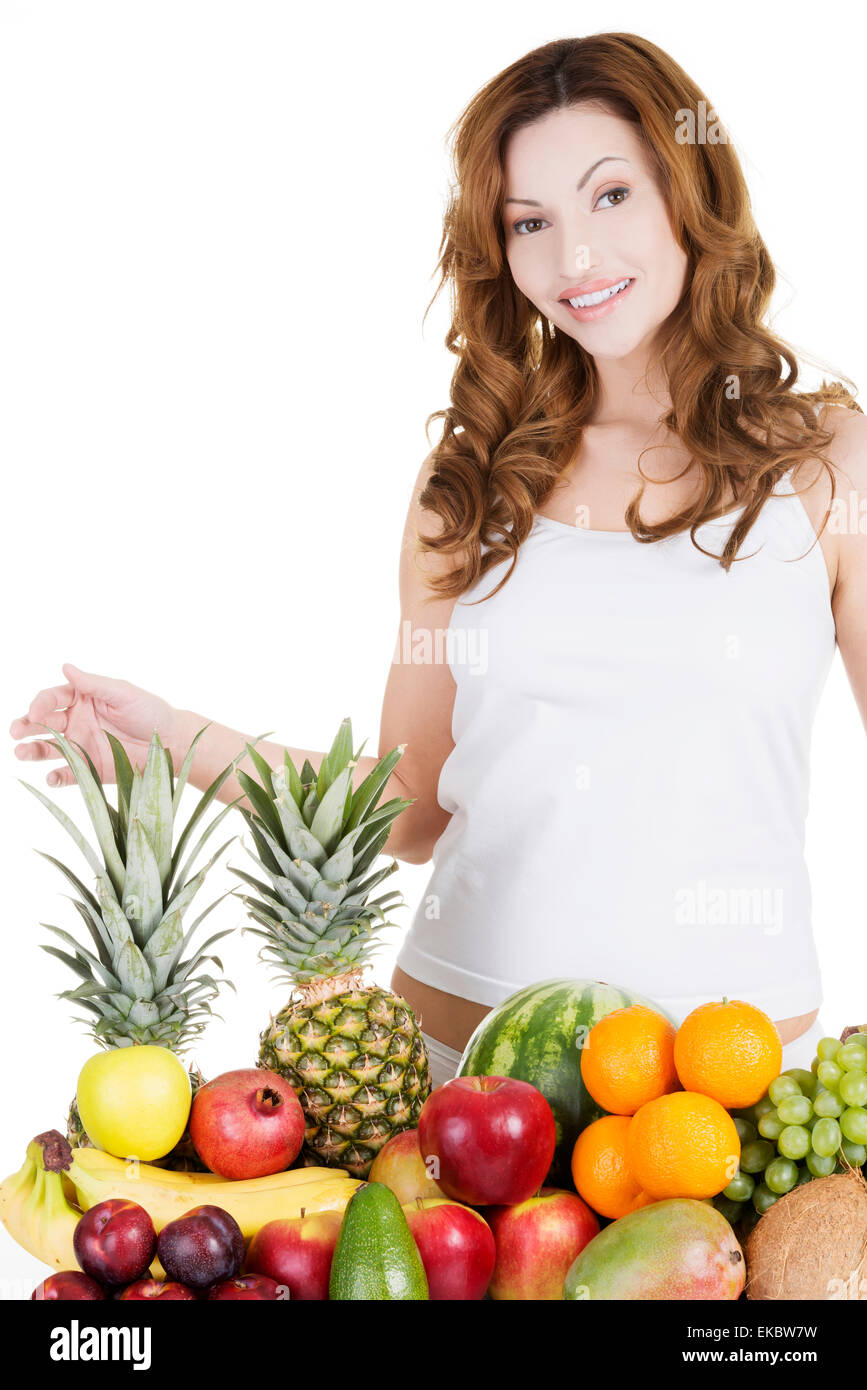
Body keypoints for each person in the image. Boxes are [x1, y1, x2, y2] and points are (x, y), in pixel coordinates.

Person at [10, 34, 867, 1088]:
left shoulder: (829, 467)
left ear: (691, 192)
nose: (575, 260)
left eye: (610, 197)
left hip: (732, 1100)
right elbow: (409, 807)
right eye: (530, 223)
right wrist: (174, 741)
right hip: (457, 1075)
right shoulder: (469, 486)